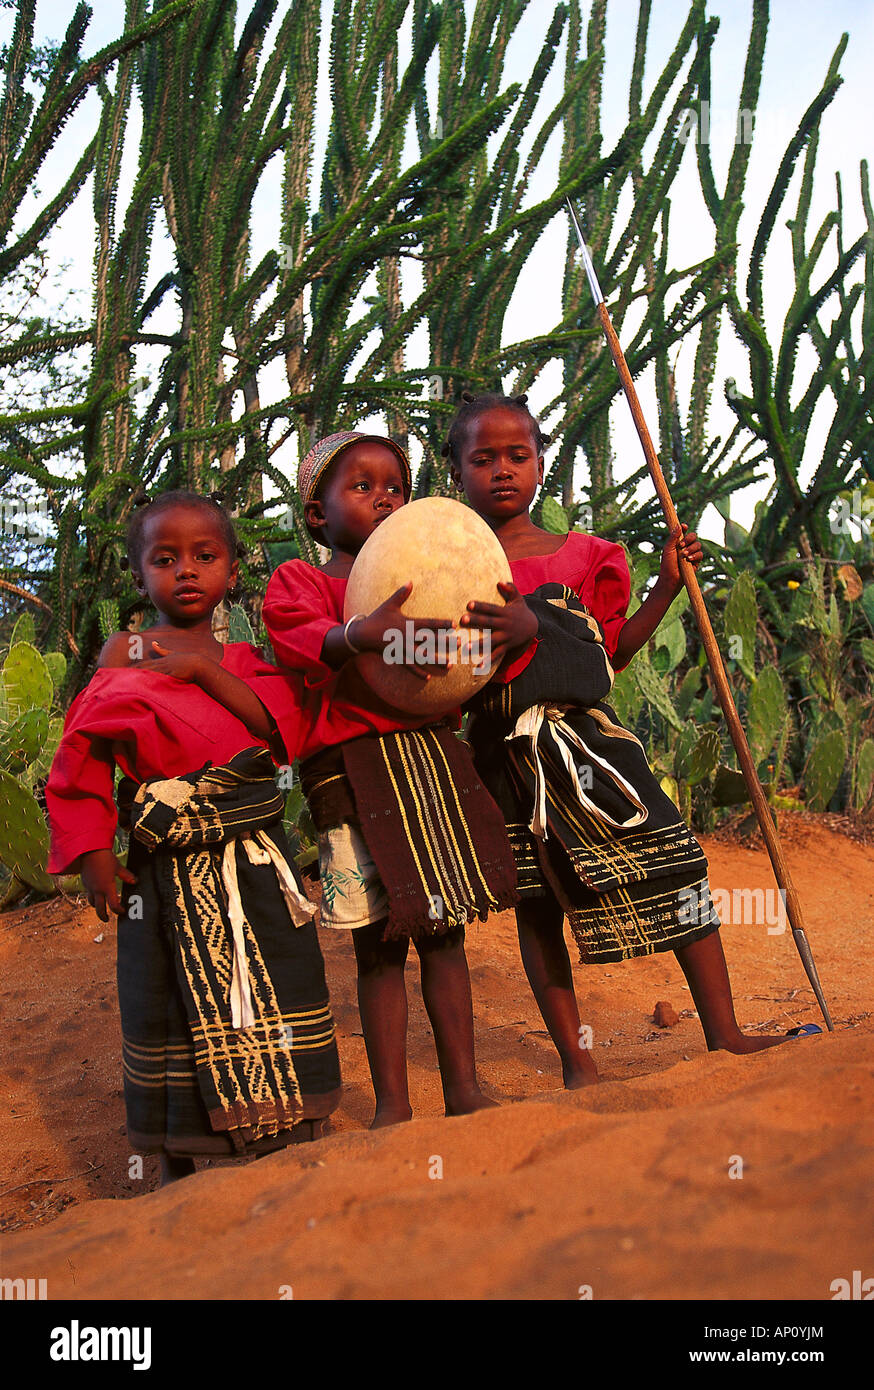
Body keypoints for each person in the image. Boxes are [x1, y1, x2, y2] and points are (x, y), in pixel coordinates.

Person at [444, 391, 799, 1087]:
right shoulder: (447, 569)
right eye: (482, 459)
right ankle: (579, 1060)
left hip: (592, 747)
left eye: (518, 455)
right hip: (506, 758)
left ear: (542, 465)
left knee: (679, 862)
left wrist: (666, 587)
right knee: (541, 903)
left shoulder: (586, 557)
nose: (502, 471)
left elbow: (611, 653)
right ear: (456, 473)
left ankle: (723, 1033)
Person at [45, 490, 341, 1184]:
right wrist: (92, 852)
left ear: (233, 572)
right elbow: (80, 753)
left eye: (205, 557)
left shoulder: (247, 658)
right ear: (138, 574)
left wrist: (203, 670)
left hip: (254, 865)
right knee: (166, 1000)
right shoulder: (126, 650)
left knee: (282, 983)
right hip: (162, 874)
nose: (186, 571)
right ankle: (184, 1153)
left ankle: (288, 1130)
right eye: (165, 558)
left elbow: (278, 733)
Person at [261, 432, 517, 1127]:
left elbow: (460, 658)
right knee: (377, 946)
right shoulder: (304, 583)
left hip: (429, 763)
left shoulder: (430, 578)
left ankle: (463, 1089)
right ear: (318, 516)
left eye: (395, 487)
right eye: (363, 486)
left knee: (445, 930)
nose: (384, 498)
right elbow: (295, 641)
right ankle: (393, 1106)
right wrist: (358, 634)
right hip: (351, 780)